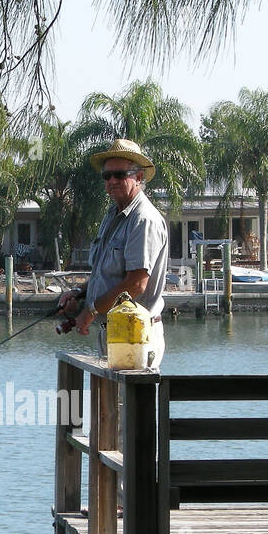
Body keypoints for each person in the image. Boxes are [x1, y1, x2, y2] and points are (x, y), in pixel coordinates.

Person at [58, 138, 168, 366]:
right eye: (106, 176)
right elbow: (105, 276)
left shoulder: (143, 219)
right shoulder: (112, 217)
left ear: (139, 177)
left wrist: (90, 310)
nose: (112, 181)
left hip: (137, 336)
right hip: (113, 334)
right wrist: (79, 293)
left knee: (129, 403)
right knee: (108, 403)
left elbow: (136, 284)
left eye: (120, 174)